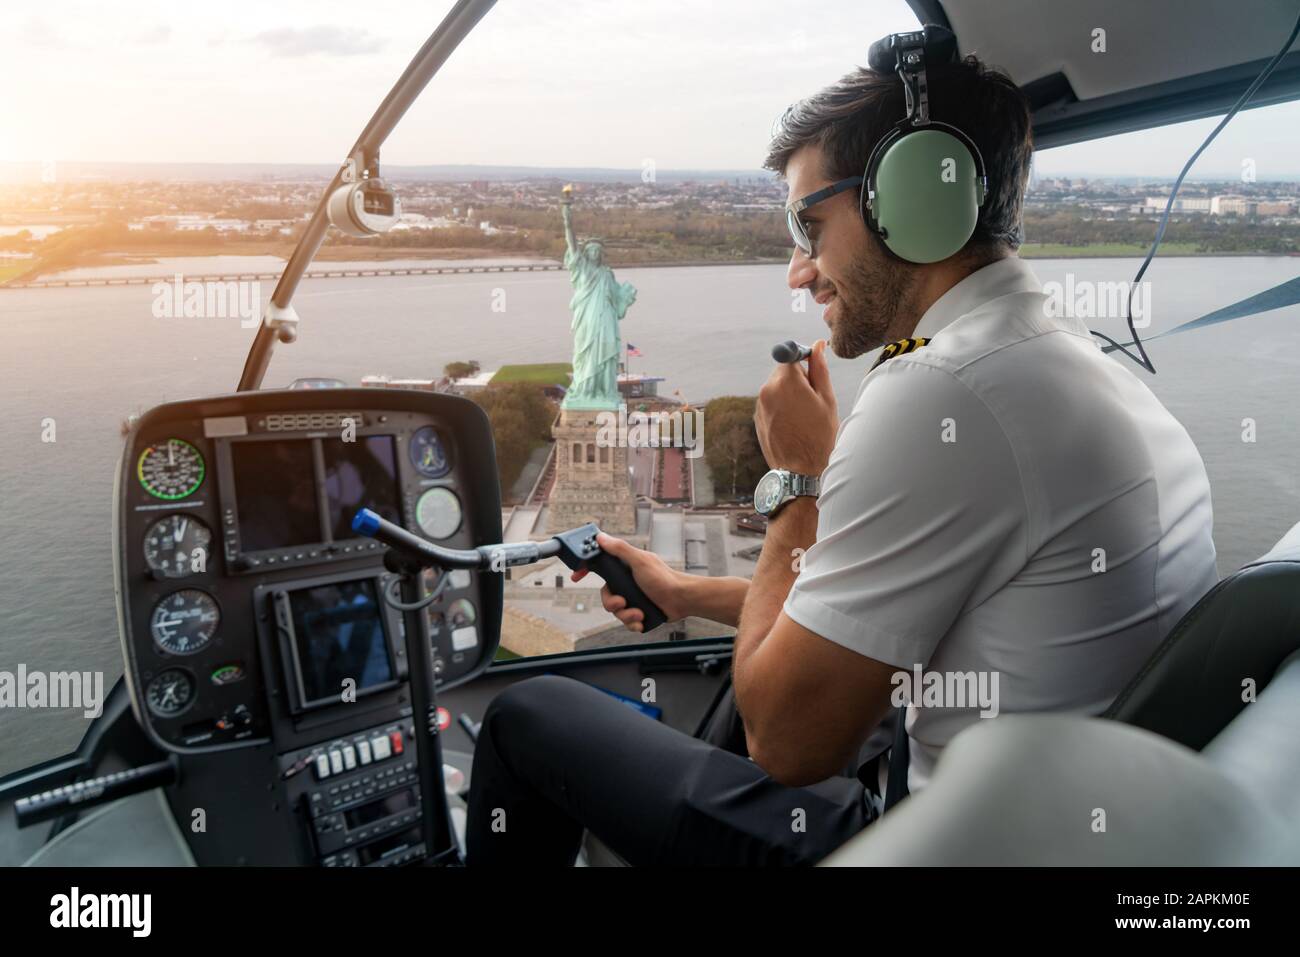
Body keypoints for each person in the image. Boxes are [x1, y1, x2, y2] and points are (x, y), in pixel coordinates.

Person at [465, 48, 1218, 867]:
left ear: (919, 199)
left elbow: (786, 744)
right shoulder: (1072, 361)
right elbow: (866, 603)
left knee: (525, 717)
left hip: (936, 843)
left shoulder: (945, 389)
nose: (799, 271)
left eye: (808, 226)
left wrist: (796, 482)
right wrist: (682, 590)